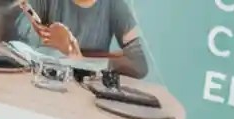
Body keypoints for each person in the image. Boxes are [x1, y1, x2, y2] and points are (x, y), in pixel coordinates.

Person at [13, 0, 149, 79]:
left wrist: (82, 59)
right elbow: (20, 39)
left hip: (89, 94)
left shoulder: (115, 5)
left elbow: (139, 63)